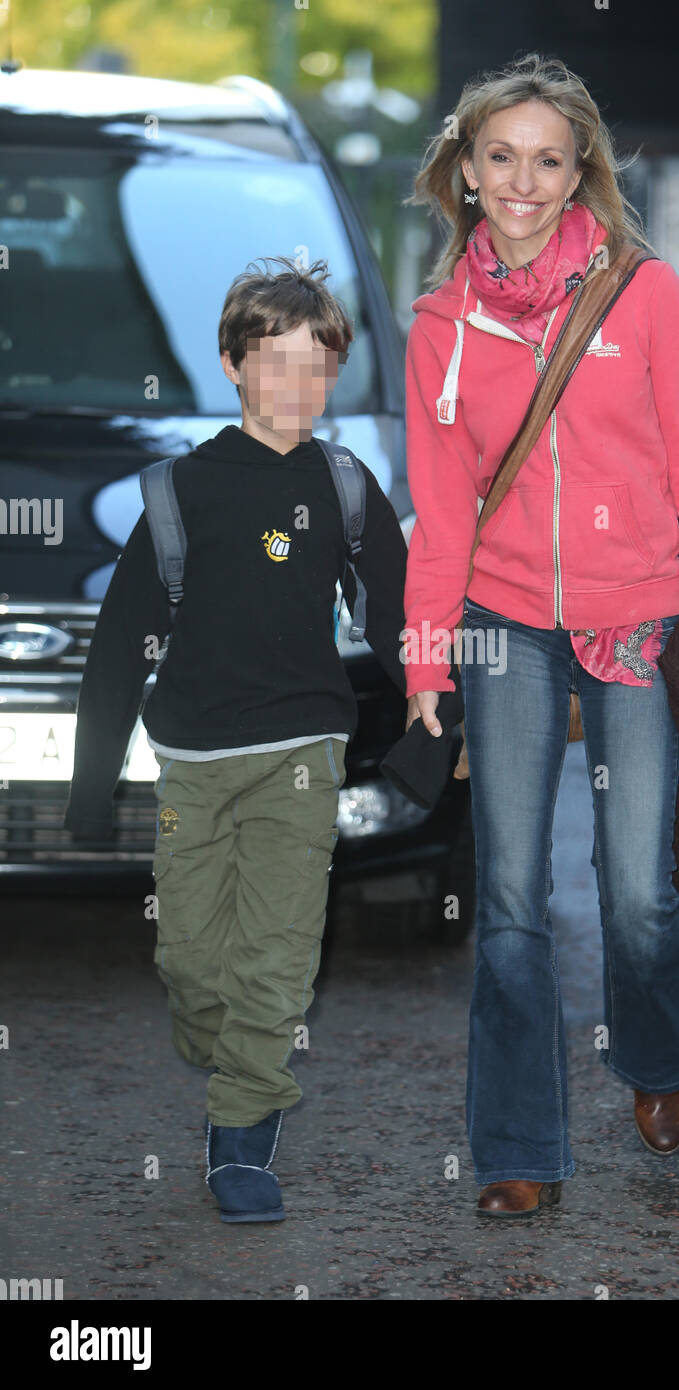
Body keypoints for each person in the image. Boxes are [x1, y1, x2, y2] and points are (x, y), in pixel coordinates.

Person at [401, 54, 679, 1217]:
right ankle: (517, 1145)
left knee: (638, 891)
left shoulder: (642, 292)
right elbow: (443, 506)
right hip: (506, 620)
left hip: (639, 619)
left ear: (578, 173)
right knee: (507, 894)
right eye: (499, 156)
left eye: (547, 160)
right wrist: (425, 650)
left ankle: (657, 1057)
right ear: (464, 167)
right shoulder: (440, 322)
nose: (521, 180)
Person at [63, 256, 412, 1223]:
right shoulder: (179, 492)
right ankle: (228, 1045)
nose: (297, 387)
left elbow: (404, 623)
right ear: (231, 365)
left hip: (303, 756)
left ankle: (243, 1135)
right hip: (194, 762)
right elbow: (118, 647)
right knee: (189, 959)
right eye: (275, 363)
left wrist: (442, 717)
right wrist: (92, 792)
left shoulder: (346, 487)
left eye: (317, 367)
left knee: (278, 953)